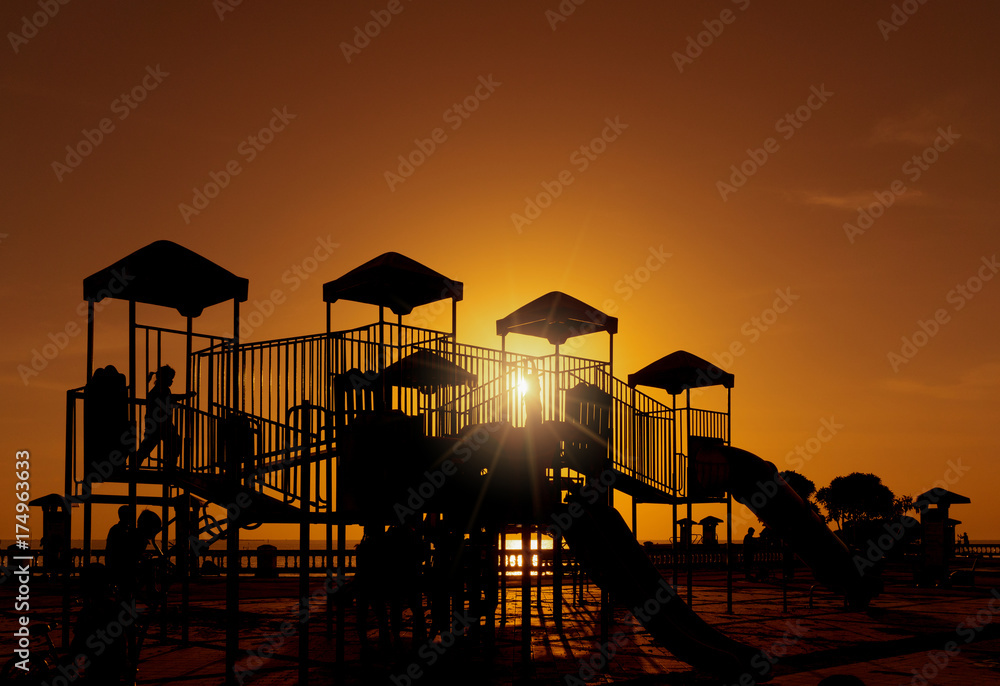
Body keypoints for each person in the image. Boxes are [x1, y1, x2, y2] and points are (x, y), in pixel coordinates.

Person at [134, 365, 195, 469]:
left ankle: (136, 463)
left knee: (156, 443)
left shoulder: (160, 389)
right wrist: (185, 396)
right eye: (170, 379)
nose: (172, 381)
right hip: (158, 422)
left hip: (158, 422)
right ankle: (168, 465)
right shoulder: (160, 390)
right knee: (164, 442)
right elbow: (168, 399)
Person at [522, 360, 542, 427]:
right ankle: (532, 425)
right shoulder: (534, 381)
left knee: (531, 413)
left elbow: (526, 373)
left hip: (530, 399)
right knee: (534, 413)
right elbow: (534, 372)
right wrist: (532, 363)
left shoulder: (529, 381)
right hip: (533, 399)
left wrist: (526, 364)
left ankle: (530, 425)